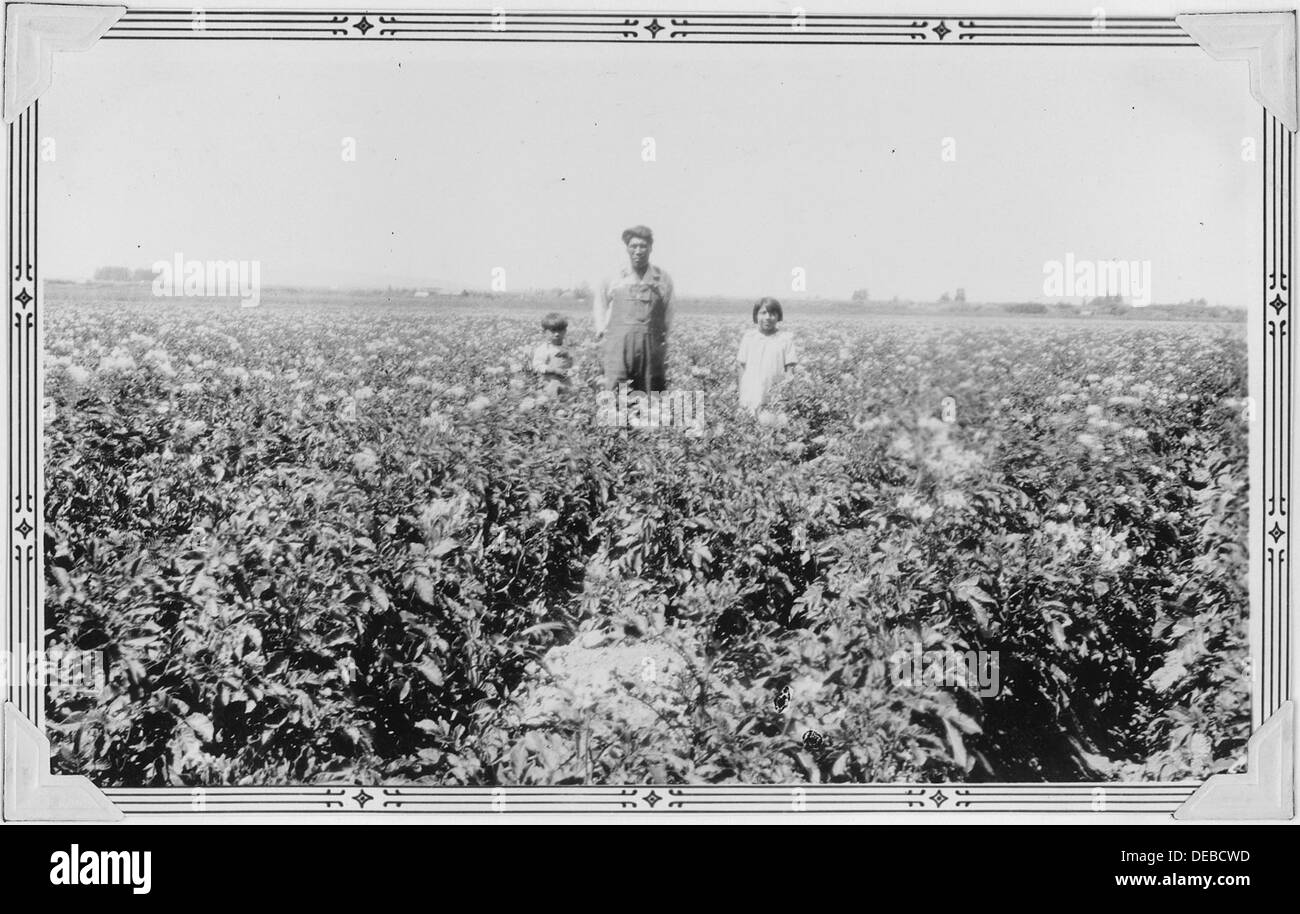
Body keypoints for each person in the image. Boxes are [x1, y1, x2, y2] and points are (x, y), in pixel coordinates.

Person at [593, 225, 674, 393]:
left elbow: (669, 310)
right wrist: (601, 332)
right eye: (633, 246)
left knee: (651, 393)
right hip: (618, 346)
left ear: (651, 248)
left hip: (651, 346)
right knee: (616, 391)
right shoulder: (614, 276)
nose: (638, 251)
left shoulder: (662, 278)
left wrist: (665, 339)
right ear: (627, 249)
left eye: (643, 246)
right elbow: (600, 304)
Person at [736, 297, 797, 413]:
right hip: (751, 394)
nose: (768, 317)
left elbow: (790, 370)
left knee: (771, 424)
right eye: (763, 313)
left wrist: (787, 397)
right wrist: (742, 395)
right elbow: (741, 367)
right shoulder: (749, 337)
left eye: (773, 313)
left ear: (779, 316)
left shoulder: (785, 339)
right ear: (756, 316)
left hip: (774, 396)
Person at [531, 312, 573, 395]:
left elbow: (573, 363)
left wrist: (570, 360)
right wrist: (553, 370)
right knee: (552, 399)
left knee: (568, 399)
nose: (557, 334)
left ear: (565, 331)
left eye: (560, 330)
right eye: (553, 331)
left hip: (566, 383)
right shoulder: (544, 349)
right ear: (544, 332)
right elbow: (537, 365)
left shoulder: (567, 347)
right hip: (549, 383)